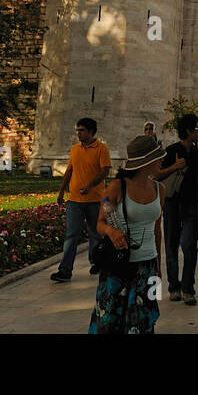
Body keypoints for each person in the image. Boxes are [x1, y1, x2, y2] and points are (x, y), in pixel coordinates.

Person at [89, 136, 166, 334]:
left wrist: (159, 267)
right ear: (146, 162)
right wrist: (111, 231)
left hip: (148, 266)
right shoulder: (117, 187)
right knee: (110, 321)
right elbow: (100, 223)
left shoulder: (160, 189)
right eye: (158, 158)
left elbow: (157, 230)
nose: (162, 160)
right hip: (119, 265)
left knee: (145, 321)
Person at [51, 117, 112, 282]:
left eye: (82, 130)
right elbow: (69, 171)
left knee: (95, 234)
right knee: (71, 235)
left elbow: (105, 171)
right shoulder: (75, 149)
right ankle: (65, 270)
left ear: (91, 132)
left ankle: (96, 262)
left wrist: (90, 186)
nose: (79, 133)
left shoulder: (101, 149)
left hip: (94, 200)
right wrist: (61, 191)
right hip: (75, 200)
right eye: (78, 130)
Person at [157, 114, 198, 305]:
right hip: (171, 204)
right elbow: (157, 176)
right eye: (197, 129)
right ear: (188, 131)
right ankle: (174, 287)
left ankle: (188, 288)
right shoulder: (171, 151)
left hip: (191, 205)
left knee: (189, 246)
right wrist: (175, 167)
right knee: (171, 246)